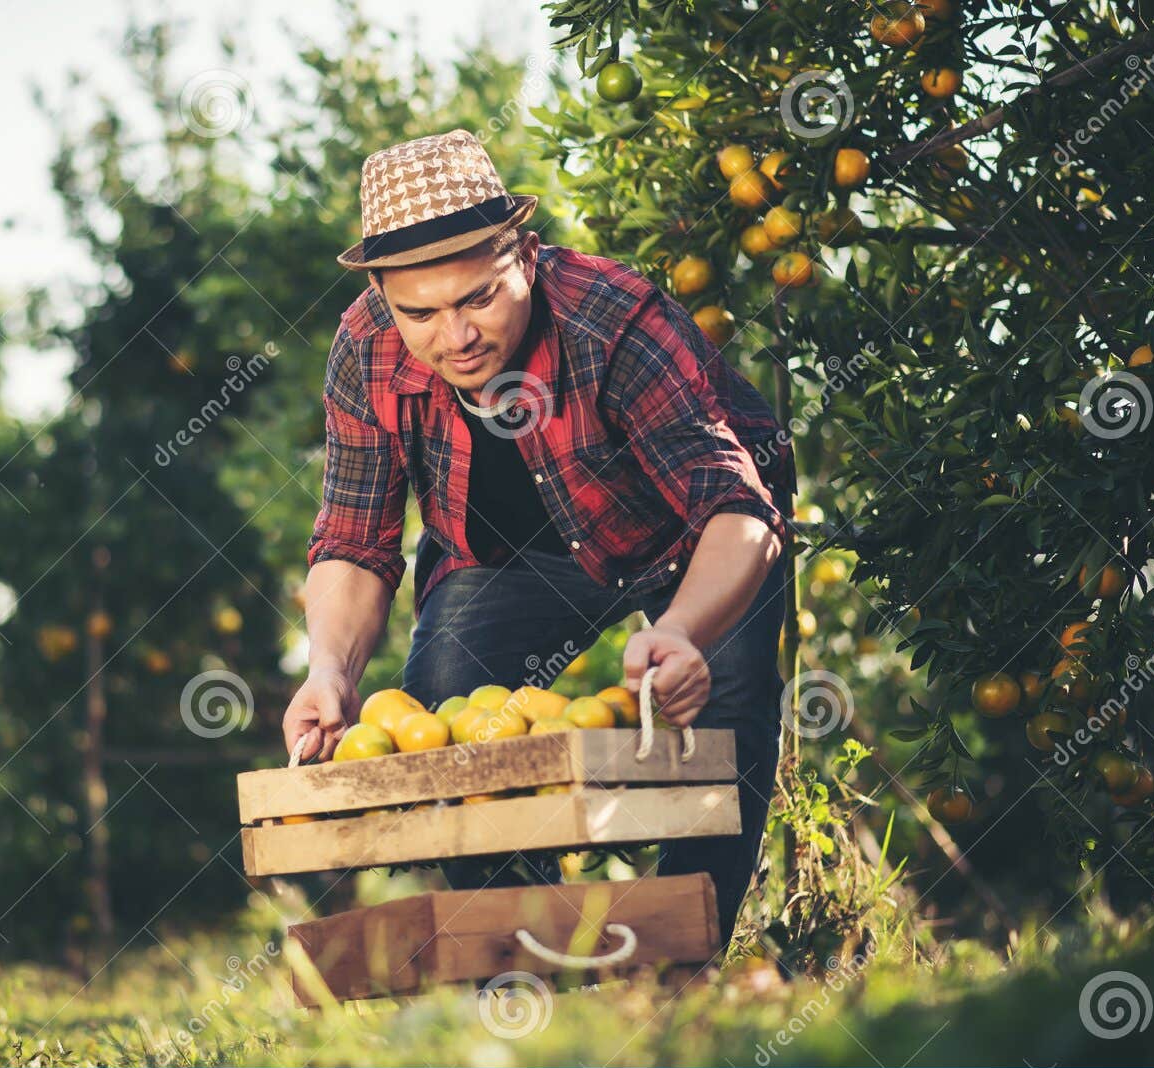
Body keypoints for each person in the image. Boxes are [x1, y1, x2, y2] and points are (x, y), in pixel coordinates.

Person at [280, 128, 795, 947]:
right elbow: (353, 536)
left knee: (724, 704)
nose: (456, 337)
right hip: (501, 556)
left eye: (477, 298)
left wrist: (682, 631)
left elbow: (737, 507)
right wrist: (330, 672)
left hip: (685, 538)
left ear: (523, 253)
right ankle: (526, 972)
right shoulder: (365, 348)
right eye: (420, 312)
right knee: (452, 728)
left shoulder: (612, 317)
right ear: (380, 293)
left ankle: (675, 964)